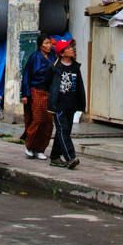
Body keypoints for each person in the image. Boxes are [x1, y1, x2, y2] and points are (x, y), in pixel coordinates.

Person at [47, 38, 85, 169]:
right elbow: (48, 85)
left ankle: (54, 157)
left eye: (71, 47)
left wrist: (80, 104)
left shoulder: (75, 67)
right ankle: (70, 157)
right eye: (68, 48)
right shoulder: (54, 68)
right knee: (62, 130)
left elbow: (80, 86)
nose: (72, 49)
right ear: (62, 53)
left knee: (64, 131)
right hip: (59, 105)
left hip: (71, 105)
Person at [20, 34, 56, 160]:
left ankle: (40, 148)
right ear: (40, 45)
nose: (49, 46)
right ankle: (29, 145)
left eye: (50, 43)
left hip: (49, 91)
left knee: (48, 122)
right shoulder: (34, 58)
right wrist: (25, 94)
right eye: (46, 43)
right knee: (38, 118)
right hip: (36, 89)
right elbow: (26, 76)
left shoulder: (52, 56)